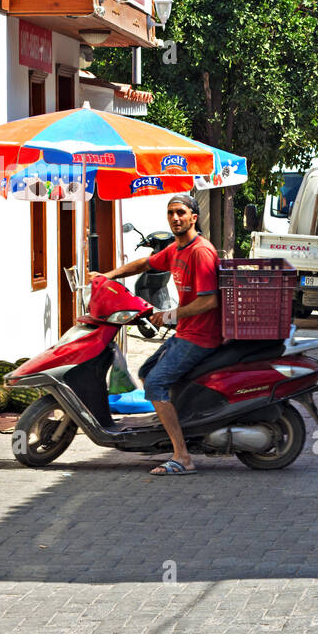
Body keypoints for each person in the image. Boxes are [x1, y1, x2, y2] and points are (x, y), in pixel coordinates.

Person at [92, 193, 222, 477]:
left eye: (181, 213)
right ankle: (175, 425)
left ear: (193, 217)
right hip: (187, 333)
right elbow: (145, 264)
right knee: (147, 370)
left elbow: (210, 301)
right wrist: (110, 275)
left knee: (155, 383)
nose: (175, 218)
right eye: (171, 213)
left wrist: (170, 315)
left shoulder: (200, 251)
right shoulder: (177, 249)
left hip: (200, 336)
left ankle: (182, 456)